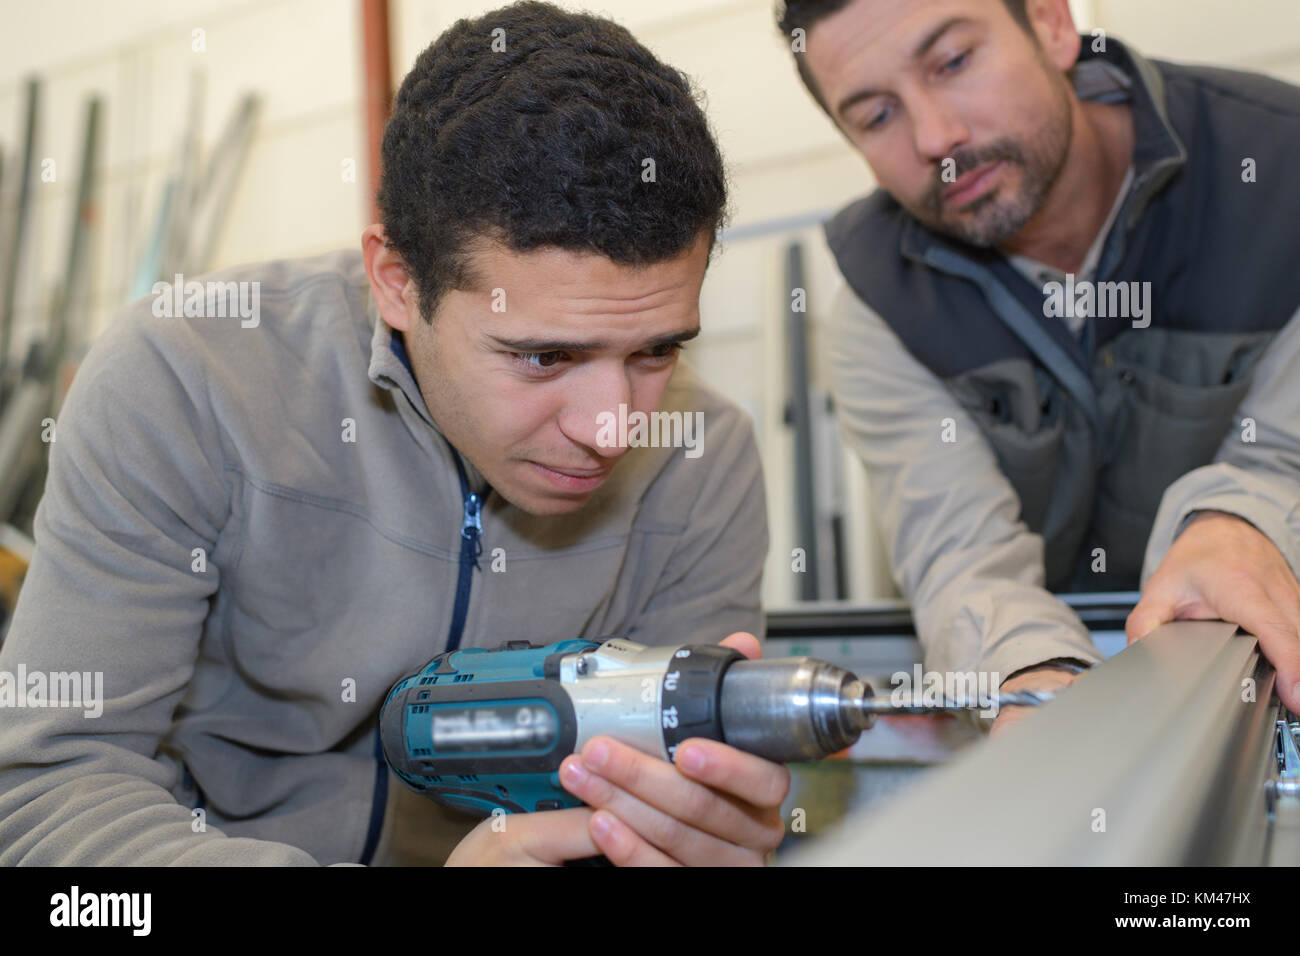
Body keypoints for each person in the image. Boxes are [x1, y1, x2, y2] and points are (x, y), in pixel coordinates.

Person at [0, 1, 787, 866]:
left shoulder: (702, 461)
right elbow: (46, 797)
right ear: (398, 281)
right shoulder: (185, 382)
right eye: (544, 356)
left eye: (657, 350)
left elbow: (671, 803)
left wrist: (695, 830)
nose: (611, 428)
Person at [776, 0, 1300, 722]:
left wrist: (1238, 528)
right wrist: (1031, 682)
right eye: (877, 115)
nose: (936, 138)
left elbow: (1284, 455)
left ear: (1052, 24)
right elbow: (963, 554)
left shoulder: (1279, 177)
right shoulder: (880, 311)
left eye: (953, 62)